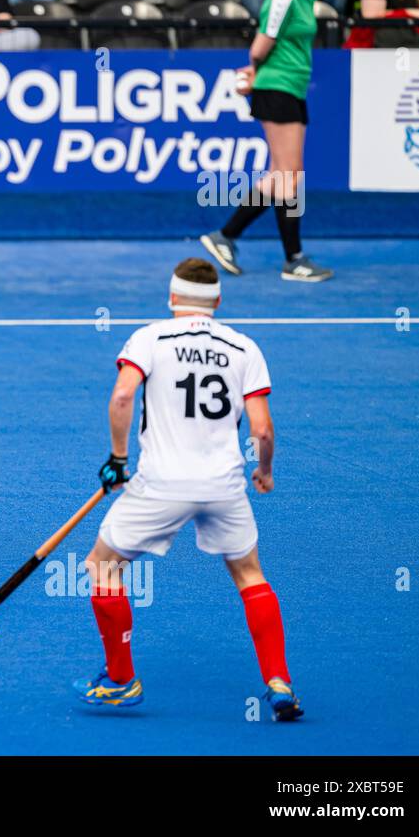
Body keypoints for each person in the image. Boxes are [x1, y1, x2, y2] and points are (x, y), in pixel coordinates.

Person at [75, 257, 303, 723]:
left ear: (172, 298)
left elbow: (122, 396)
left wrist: (118, 460)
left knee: (103, 567)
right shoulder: (244, 347)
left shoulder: (150, 337)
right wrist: (264, 471)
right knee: (250, 575)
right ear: (217, 302)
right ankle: (279, 681)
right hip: (224, 485)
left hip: (161, 484)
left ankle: (121, 680)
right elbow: (261, 428)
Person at [202, 0, 334, 283]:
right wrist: (255, 72)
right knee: (289, 177)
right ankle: (293, 259)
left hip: (292, 87)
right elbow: (263, 42)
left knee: (281, 175)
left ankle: (226, 236)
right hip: (275, 87)